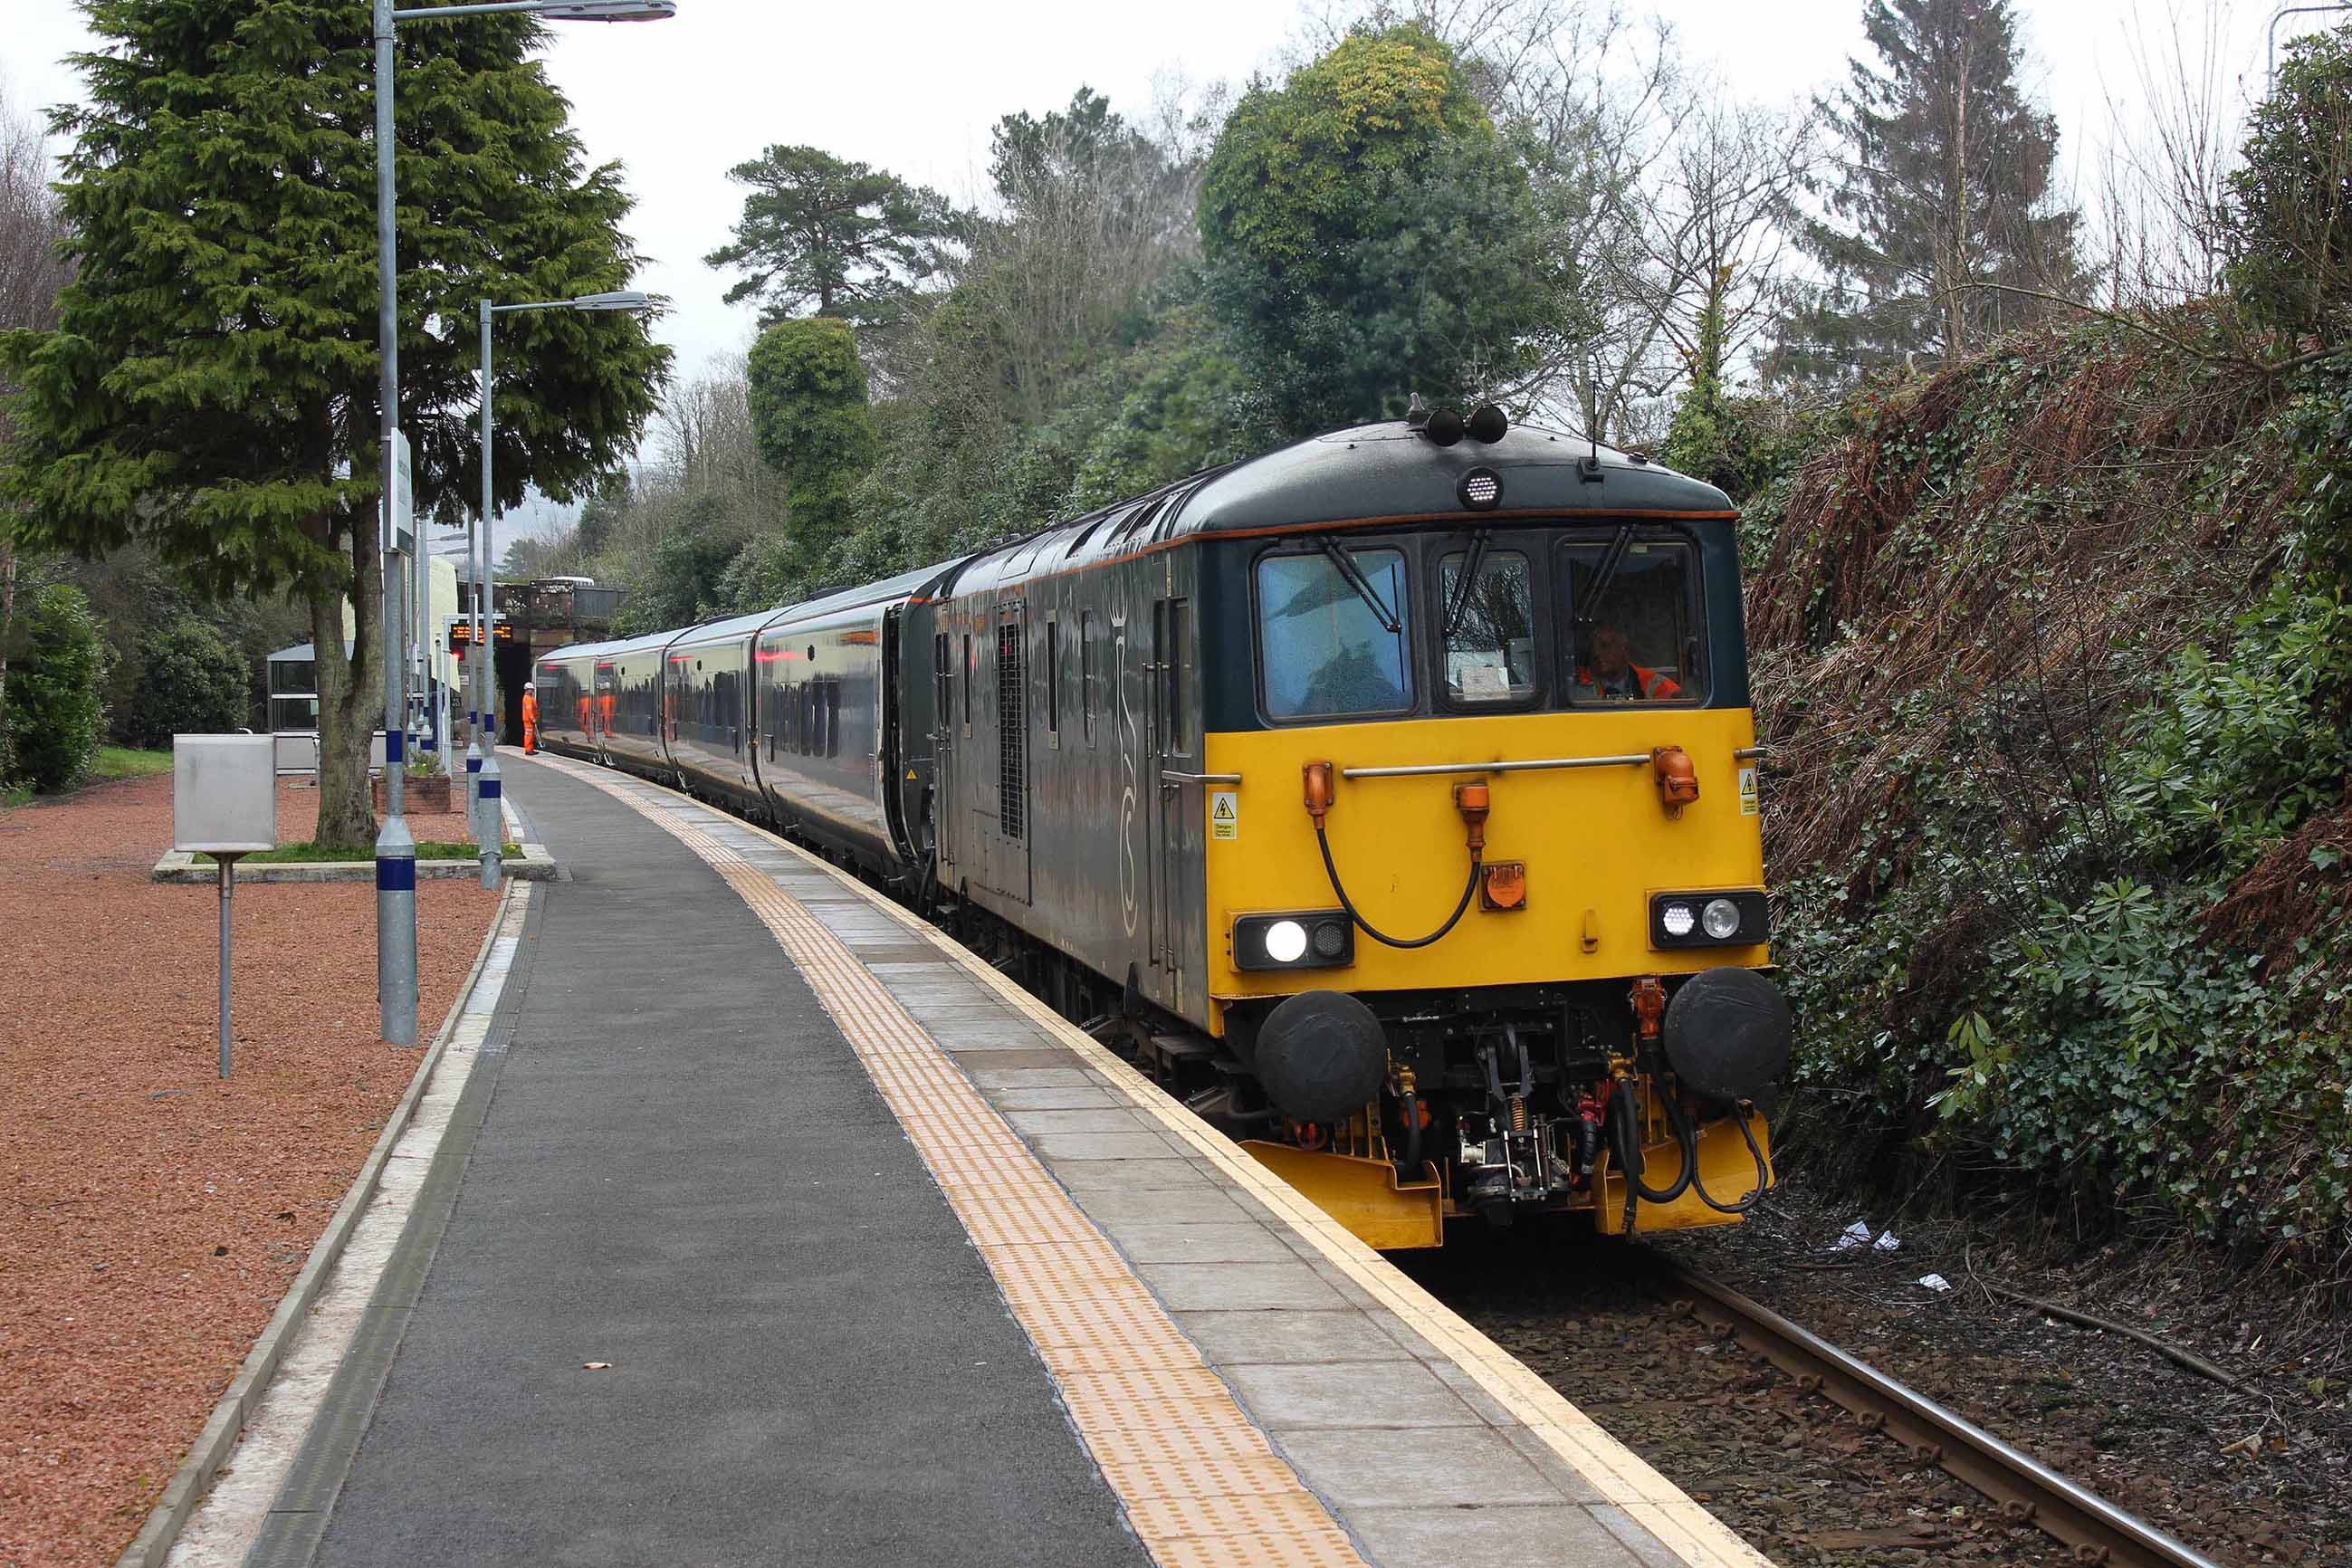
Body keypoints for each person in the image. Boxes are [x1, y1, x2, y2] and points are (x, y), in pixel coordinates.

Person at [1574, 624, 1681, 701]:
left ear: (1625, 650)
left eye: (1604, 646)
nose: (1597, 653)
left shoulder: (1655, 684)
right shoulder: (1576, 685)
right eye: (1592, 648)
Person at [521, 681, 539, 755]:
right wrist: (533, 719)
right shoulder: (528, 698)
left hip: (528, 720)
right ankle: (528, 750)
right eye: (531, 689)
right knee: (529, 735)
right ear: (527, 690)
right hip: (529, 720)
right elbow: (529, 710)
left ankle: (530, 749)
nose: (532, 691)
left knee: (531, 735)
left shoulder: (529, 698)